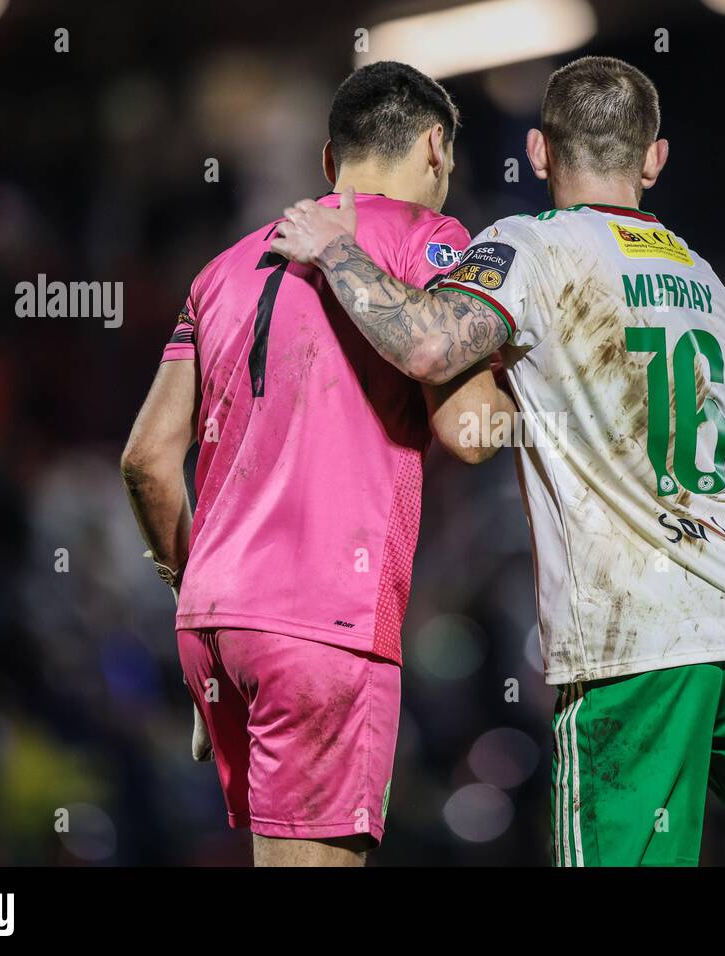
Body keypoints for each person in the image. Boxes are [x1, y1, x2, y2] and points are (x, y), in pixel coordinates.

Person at [269, 56, 725, 866]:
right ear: (654, 159)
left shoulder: (528, 248)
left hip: (637, 640)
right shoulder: (704, 278)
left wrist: (341, 253)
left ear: (540, 152)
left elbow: (431, 344)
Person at [120, 61, 512, 867]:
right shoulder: (433, 242)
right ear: (438, 147)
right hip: (324, 626)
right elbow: (471, 434)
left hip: (212, 627)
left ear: (330, 163)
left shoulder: (223, 267)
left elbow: (147, 462)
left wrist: (197, 591)